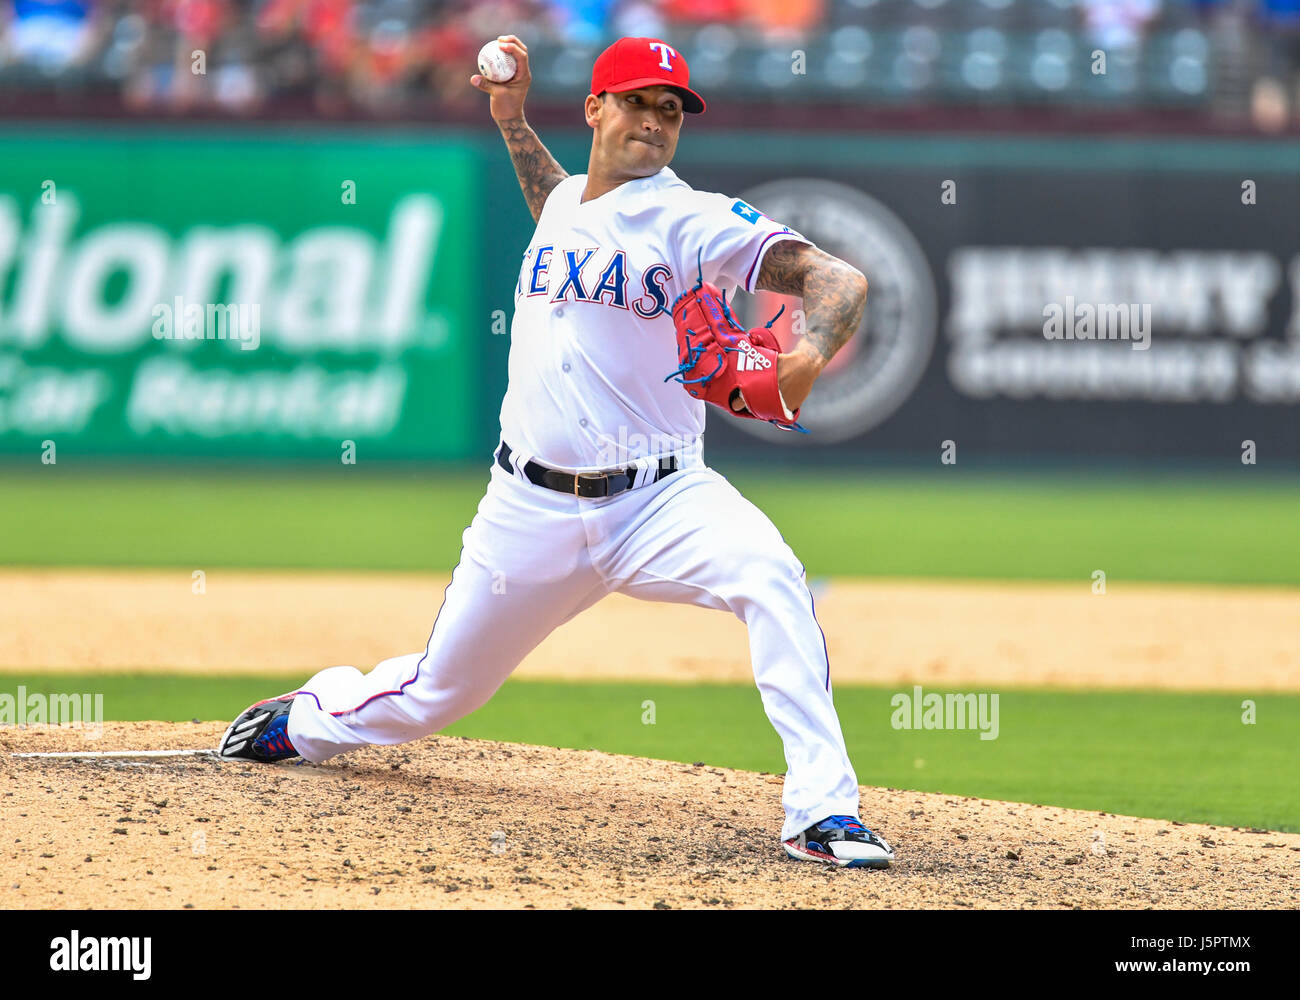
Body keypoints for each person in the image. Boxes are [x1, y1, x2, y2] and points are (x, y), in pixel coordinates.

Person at [220, 34, 893, 870]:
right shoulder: (572, 198)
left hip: (662, 499)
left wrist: (801, 360)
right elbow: (559, 200)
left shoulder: (691, 216)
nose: (655, 119)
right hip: (528, 511)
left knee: (772, 577)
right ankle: (310, 717)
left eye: (672, 107)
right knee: (438, 693)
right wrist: (509, 119)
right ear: (596, 109)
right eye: (640, 100)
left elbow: (841, 283)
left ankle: (821, 813)